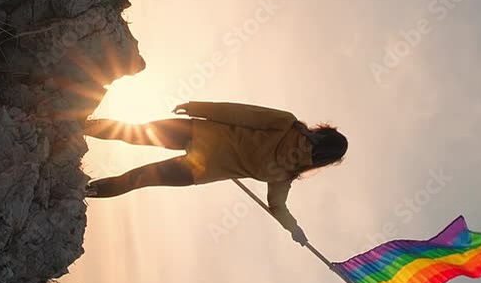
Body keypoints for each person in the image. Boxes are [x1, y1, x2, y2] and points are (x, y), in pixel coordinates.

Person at [83, 101, 348, 246]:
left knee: (131, 132)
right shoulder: (285, 175)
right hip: (198, 171)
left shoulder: (287, 123)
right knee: (136, 180)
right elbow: (277, 207)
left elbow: (240, 114)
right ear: (325, 161)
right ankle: (81, 191)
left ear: (323, 131)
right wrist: (294, 230)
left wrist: (199, 108)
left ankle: (78, 127)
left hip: (197, 134)